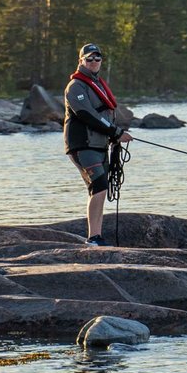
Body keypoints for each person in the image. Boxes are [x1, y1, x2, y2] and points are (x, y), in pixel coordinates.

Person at [64, 43, 133, 246]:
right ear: (81, 61)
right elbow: (86, 114)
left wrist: (114, 136)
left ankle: (97, 235)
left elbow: (105, 115)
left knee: (100, 188)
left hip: (99, 145)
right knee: (99, 186)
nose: (94, 62)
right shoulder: (75, 86)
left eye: (97, 58)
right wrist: (116, 132)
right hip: (82, 145)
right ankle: (93, 238)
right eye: (89, 59)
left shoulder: (98, 84)